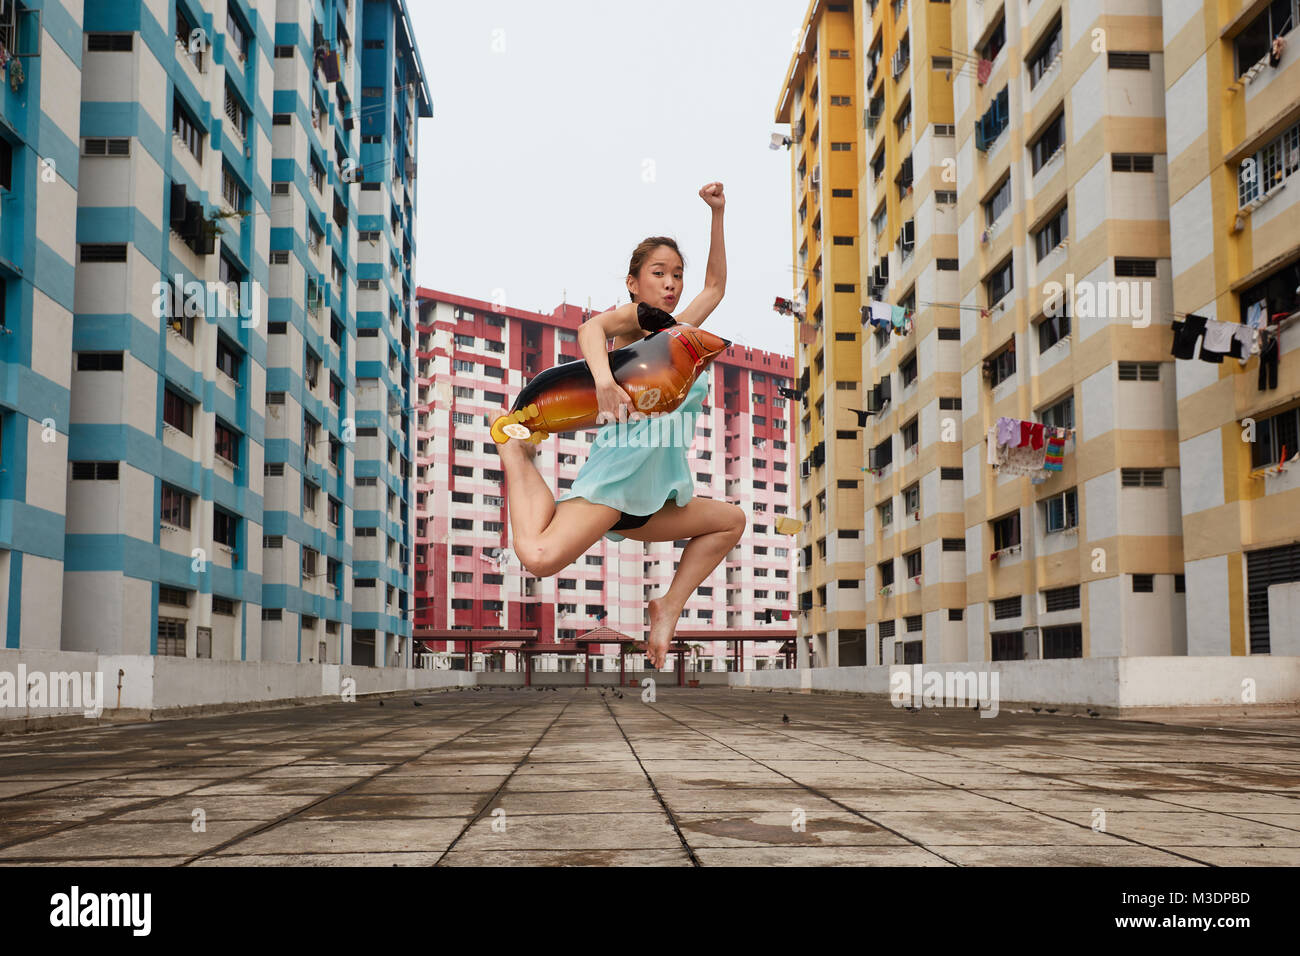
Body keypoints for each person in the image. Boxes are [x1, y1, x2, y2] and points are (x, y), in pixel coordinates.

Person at [495, 182, 744, 669]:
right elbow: (590, 329)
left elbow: (715, 286)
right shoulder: (631, 332)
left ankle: (667, 607)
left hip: (656, 498)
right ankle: (512, 449)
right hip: (613, 488)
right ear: (634, 283)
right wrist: (605, 382)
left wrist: (718, 213)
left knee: (730, 522)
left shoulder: (678, 338)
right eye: (659, 274)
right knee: (540, 557)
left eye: (676, 275)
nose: (671, 284)